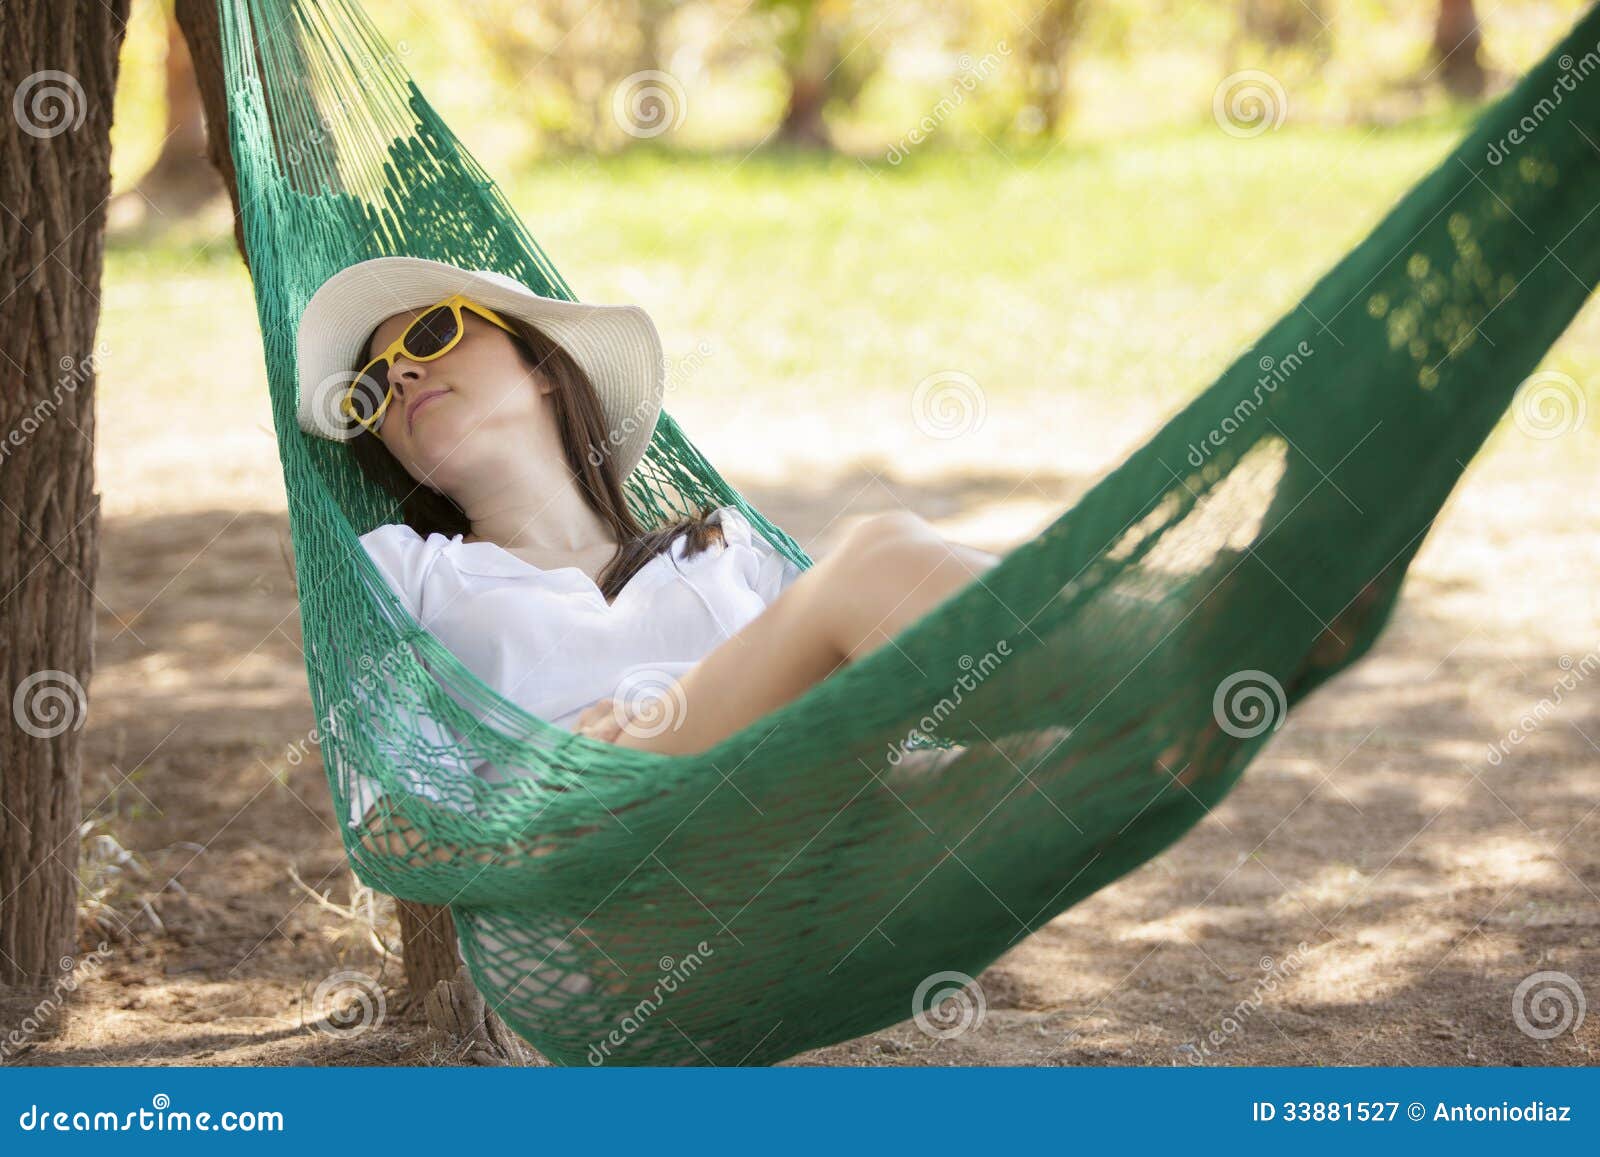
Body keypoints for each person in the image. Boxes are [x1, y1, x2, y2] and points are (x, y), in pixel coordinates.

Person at [295, 257, 1000, 855]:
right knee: (875, 556)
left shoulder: (725, 544)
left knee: (1025, 759)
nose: (403, 377)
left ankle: (1089, 672)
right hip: (604, 869)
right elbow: (389, 818)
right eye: (373, 391)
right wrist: (543, 802)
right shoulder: (402, 572)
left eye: (430, 334)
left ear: (543, 365)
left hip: (815, 824)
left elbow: (877, 672)